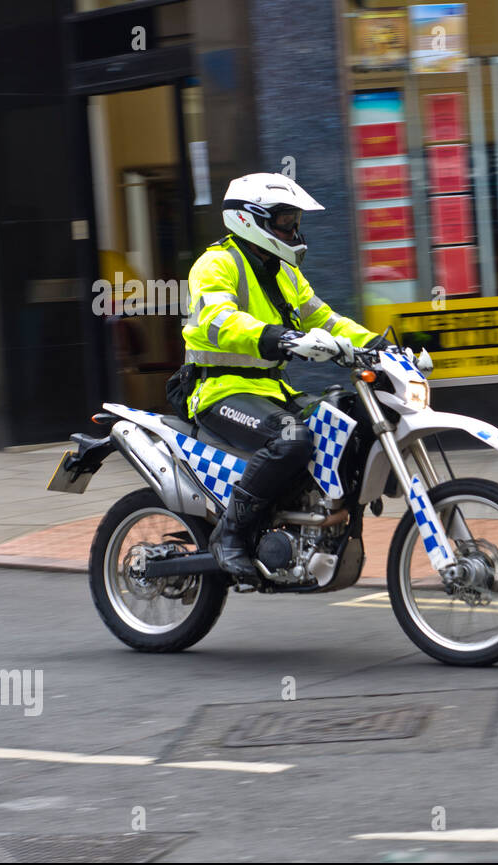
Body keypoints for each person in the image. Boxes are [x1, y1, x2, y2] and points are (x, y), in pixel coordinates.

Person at [182, 172, 380, 581]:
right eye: (284, 221)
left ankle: (316, 520)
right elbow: (217, 321)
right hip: (222, 390)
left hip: (274, 391)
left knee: (349, 420)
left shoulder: (285, 273)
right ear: (249, 219)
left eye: (295, 221)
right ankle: (230, 534)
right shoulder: (216, 264)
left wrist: (379, 346)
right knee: (292, 439)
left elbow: (325, 318)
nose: (293, 230)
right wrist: (282, 338)